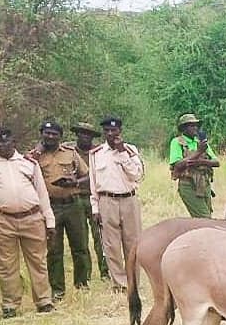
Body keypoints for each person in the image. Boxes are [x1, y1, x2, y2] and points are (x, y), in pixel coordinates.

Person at [0, 127, 56, 317]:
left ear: (14, 142)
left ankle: (44, 301)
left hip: (32, 218)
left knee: (38, 261)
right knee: (6, 265)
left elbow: (42, 194)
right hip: (1, 220)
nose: (2, 145)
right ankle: (10, 305)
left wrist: (49, 221)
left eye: (6, 141)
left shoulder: (29, 163)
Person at [28, 121, 91, 300]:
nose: (50, 137)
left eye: (54, 134)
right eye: (47, 133)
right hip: (50, 207)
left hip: (73, 204)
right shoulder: (35, 157)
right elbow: (25, 172)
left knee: (80, 247)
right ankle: (57, 290)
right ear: (42, 134)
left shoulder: (71, 153)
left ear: (60, 137)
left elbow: (87, 175)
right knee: (54, 250)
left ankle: (82, 284)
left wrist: (76, 183)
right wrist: (37, 152)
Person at [89, 116, 144, 292]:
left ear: (120, 131)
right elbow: (93, 183)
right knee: (111, 245)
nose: (111, 134)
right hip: (106, 201)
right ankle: (119, 284)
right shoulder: (96, 154)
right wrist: (95, 208)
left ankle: (133, 281)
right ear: (104, 133)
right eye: (107, 131)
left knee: (133, 242)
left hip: (129, 199)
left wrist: (122, 153)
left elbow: (136, 175)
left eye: (114, 130)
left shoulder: (130, 150)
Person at [71, 123, 108, 280]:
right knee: (81, 239)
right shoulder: (70, 151)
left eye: (88, 135)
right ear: (77, 135)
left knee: (101, 237)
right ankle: (84, 275)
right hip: (77, 198)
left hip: (95, 197)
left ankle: (106, 271)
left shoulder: (99, 152)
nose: (85, 137)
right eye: (82, 134)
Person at [169, 114, 220, 218]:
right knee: (204, 218)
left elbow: (216, 162)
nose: (195, 128)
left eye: (196, 125)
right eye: (191, 125)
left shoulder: (200, 142)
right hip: (188, 184)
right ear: (184, 128)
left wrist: (200, 162)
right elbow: (178, 164)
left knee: (206, 217)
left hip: (204, 184)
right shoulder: (177, 142)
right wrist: (198, 152)